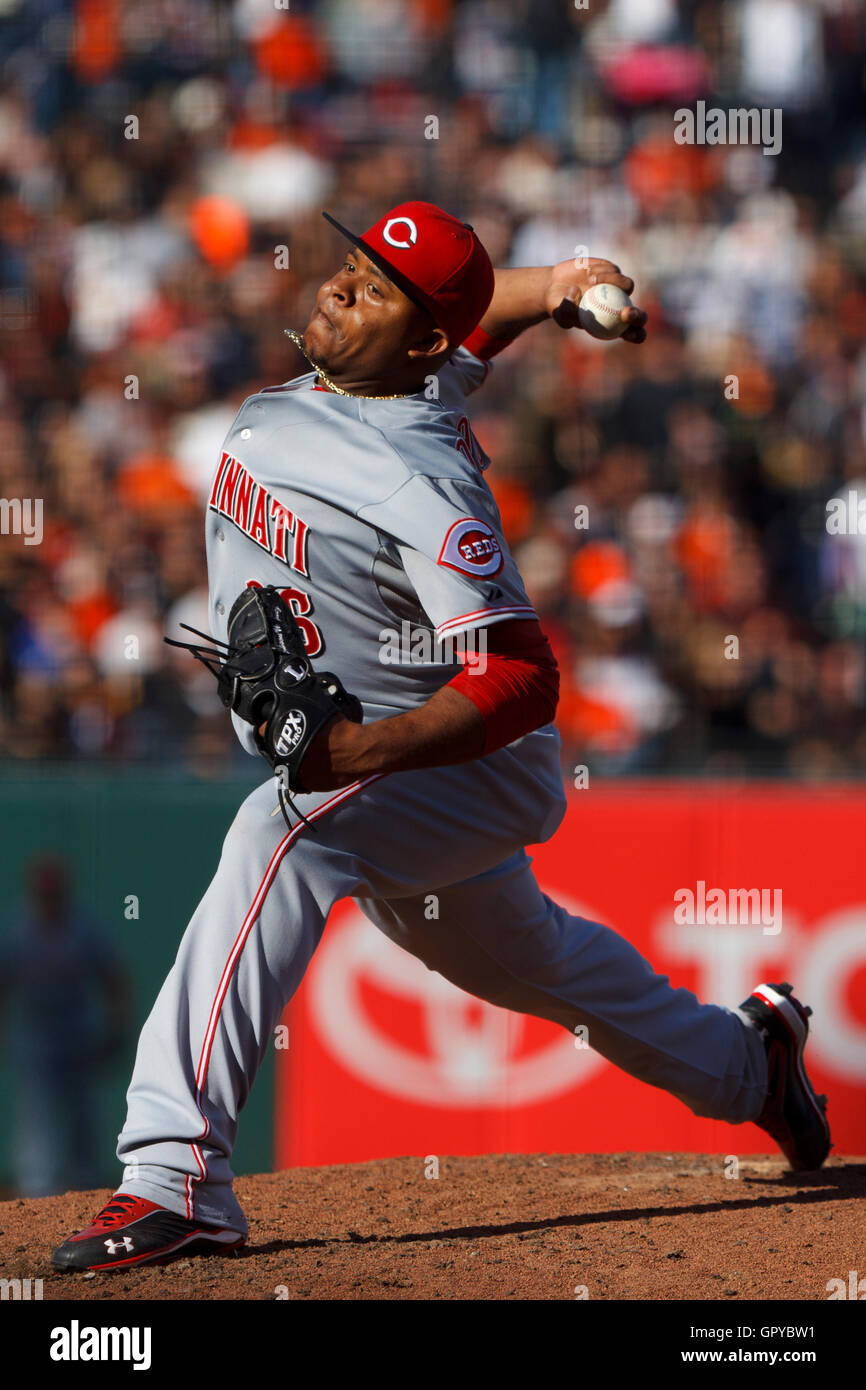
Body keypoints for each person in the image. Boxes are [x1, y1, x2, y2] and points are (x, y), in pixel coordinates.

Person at [52, 202, 829, 1272]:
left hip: (462, 768)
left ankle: (173, 1175)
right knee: (536, 964)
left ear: (412, 339)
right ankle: (754, 1065)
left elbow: (522, 675)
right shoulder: (389, 367)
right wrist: (553, 281)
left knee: (278, 833)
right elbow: (467, 327)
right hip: (393, 774)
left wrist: (361, 756)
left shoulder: (421, 476)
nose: (339, 288)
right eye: (351, 265)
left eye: (373, 289)